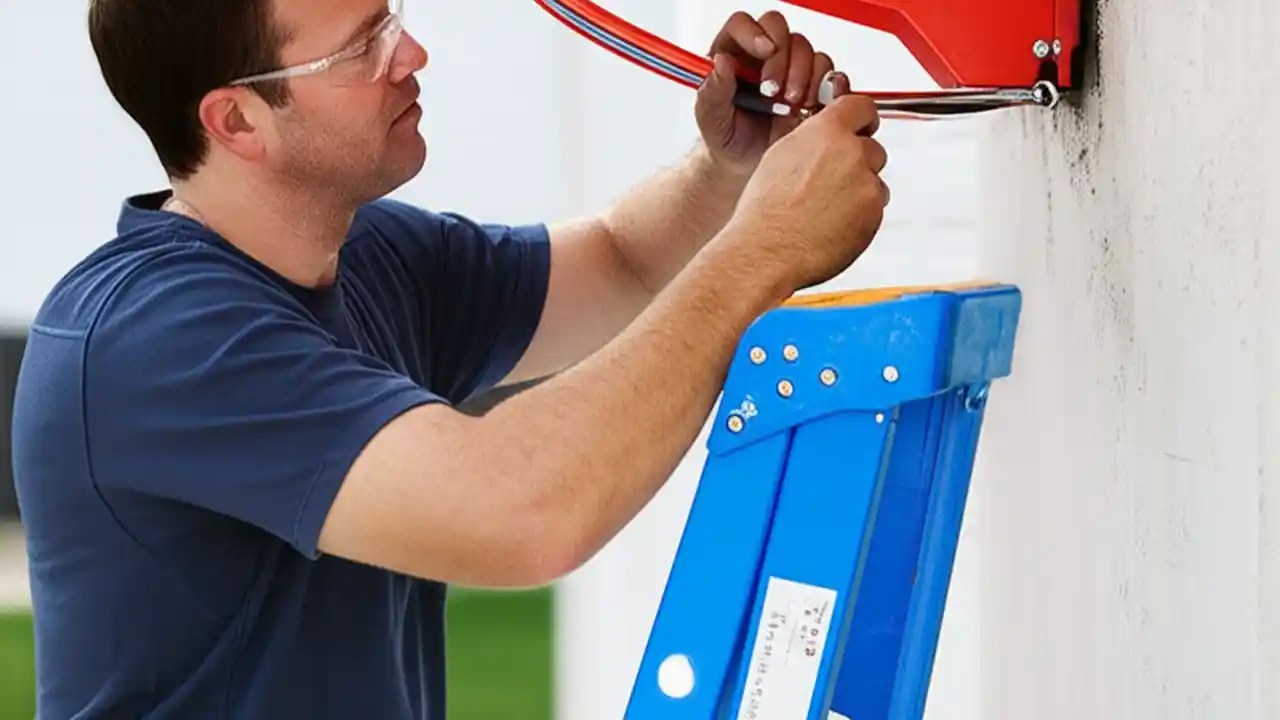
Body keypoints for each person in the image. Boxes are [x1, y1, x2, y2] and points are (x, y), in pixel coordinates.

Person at [10, 0, 888, 717]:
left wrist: (728, 168)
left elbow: (620, 260)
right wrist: (764, 247)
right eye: (363, 48)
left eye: (392, 19)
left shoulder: (365, 256)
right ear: (237, 119)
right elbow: (523, 512)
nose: (412, 53)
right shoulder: (157, 340)